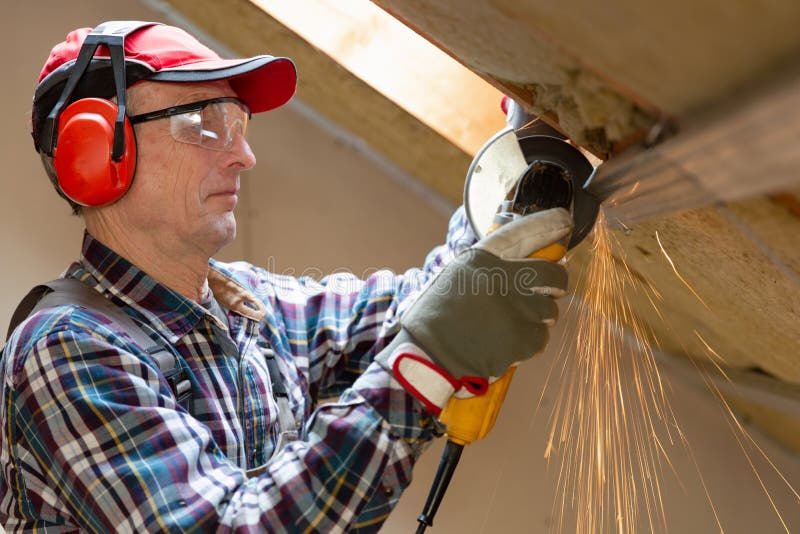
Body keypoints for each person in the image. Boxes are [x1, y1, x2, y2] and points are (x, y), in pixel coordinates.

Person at [0, 21, 572, 532]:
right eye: (202, 123)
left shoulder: (249, 310)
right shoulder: (65, 350)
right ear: (94, 152)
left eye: (238, 122)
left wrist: (516, 167)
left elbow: (428, 305)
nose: (243, 155)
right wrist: (425, 362)